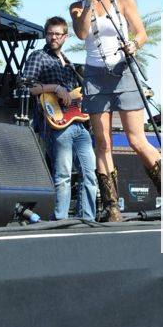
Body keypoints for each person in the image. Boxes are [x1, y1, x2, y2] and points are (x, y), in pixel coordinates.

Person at [70, 0, 160, 222]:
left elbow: (141, 32)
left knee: (136, 139)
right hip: (96, 77)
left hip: (124, 72)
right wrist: (88, 2)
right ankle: (112, 206)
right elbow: (82, 33)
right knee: (103, 142)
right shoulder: (77, 7)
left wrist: (133, 44)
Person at [21, 16, 97, 221]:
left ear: (65, 36)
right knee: (62, 175)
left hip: (80, 125)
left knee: (89, 173)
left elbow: (75, 95)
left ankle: (88, 219)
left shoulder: (68, 62)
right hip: (57, 124)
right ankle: (60, 220)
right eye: (50, 33)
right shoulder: (38, 57)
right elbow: (26, 86)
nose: (53, 37)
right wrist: (54, 87)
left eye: (57, 34)